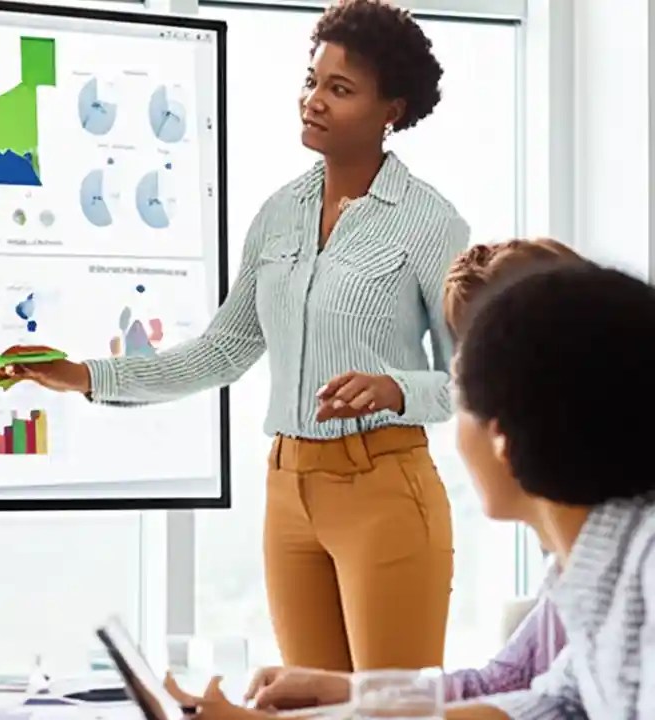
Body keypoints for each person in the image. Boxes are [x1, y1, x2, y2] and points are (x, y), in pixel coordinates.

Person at [1, 0, 466, 671]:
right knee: (306, 706)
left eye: (340, 89)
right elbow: (223, 351)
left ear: (392, 108)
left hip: (386, 491)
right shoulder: (279, 214)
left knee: (389, 713)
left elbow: (465, 385)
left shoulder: (430, 223)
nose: (313, 101)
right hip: (287, 492)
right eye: (312, 81)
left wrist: (395, 388)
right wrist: (84, 375)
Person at [173, 260, 655, 719]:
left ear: (502, 438)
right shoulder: (596, 567)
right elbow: (547, 704)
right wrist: (347, 700)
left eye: (459, 401)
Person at [239, 239, 581, 711]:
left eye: (462, 388)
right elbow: (519, 684)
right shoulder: (575, 568)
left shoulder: (626, 569)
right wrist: (350, 693)